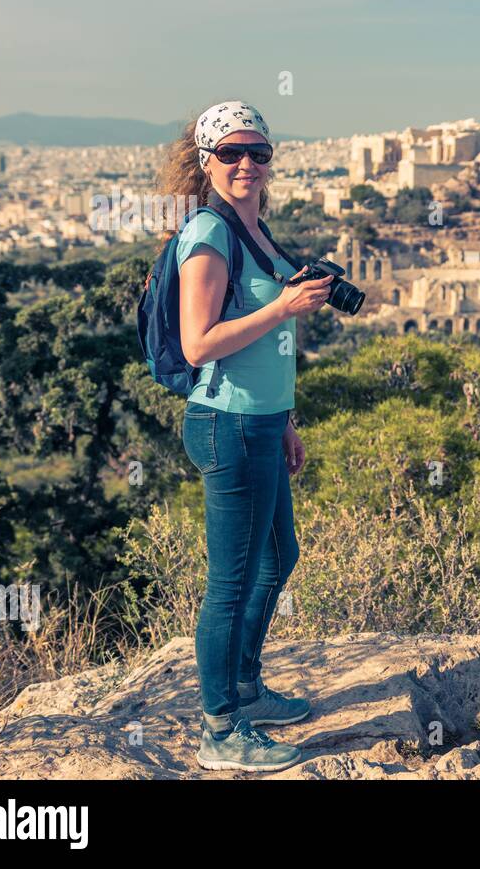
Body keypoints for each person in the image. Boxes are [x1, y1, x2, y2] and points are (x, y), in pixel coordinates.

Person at [156, 99, 333, 771]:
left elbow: (267, 341)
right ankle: (220, 730)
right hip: (225, 423)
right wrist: (284, 304)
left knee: (277, 557)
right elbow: (199, 343)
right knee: (230, 581)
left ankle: (245, 687)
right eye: (231, 152)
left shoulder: (256, 227)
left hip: (260, 422)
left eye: (258, 152)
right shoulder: (208, 232)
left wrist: (286, 418)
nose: (247, 163)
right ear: (207, 162)